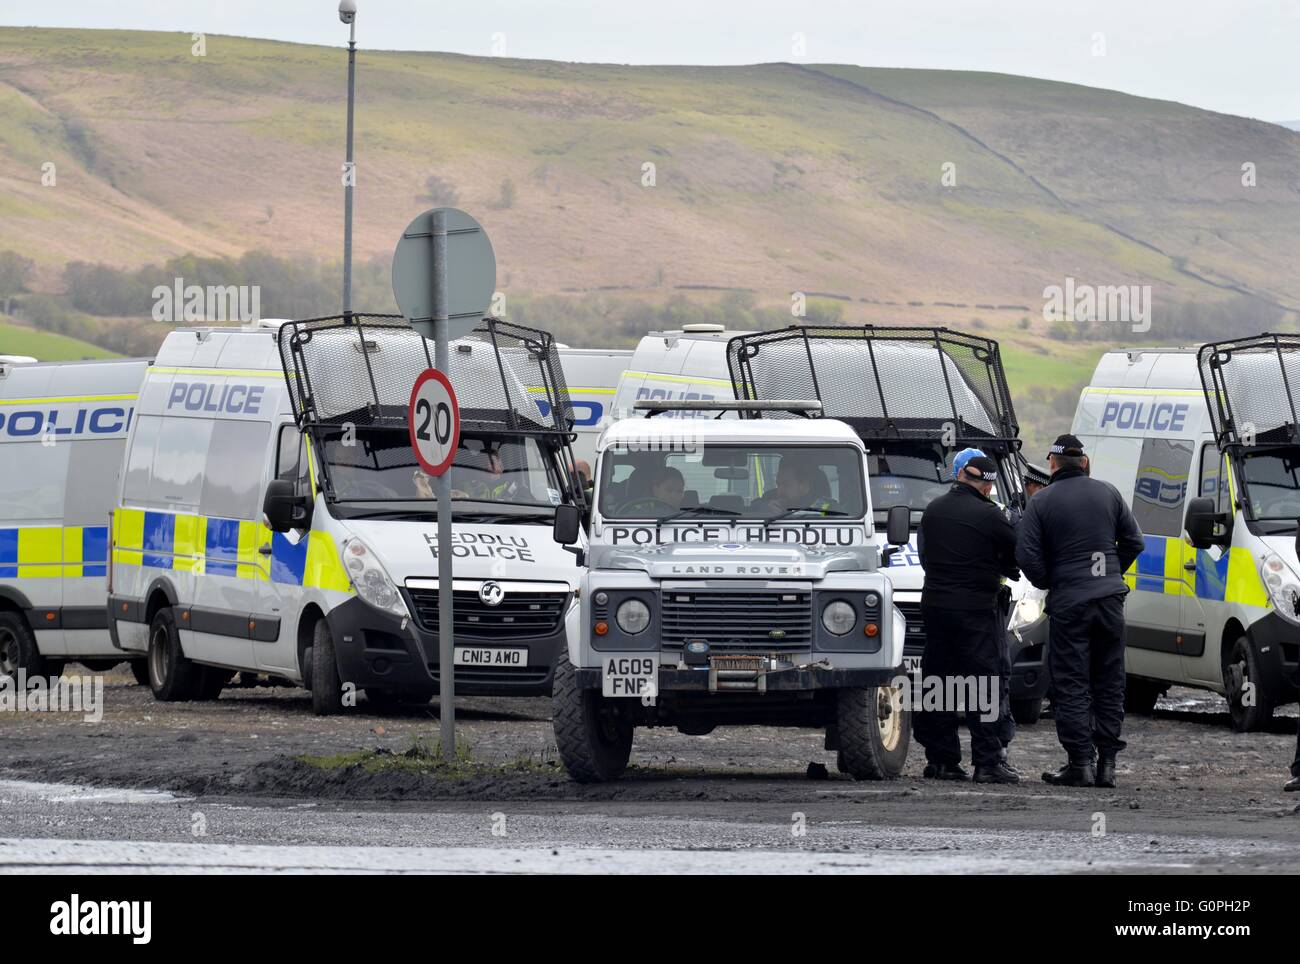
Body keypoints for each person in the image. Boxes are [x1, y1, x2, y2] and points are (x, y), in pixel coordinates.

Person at [1016, 433, 1145, 789]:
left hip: (1071, 603)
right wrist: (1112, 575)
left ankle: (1080, 763)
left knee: (1072, 682)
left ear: (1053, 464)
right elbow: (1135, 541)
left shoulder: (1041, 503)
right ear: (1084, 462)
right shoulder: (1109, 493)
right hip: (1109, 603)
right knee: (1109, 681)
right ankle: (1107, 765)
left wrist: (1053, 581)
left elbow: (1026, 555)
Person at [915, 448, 1021, 784]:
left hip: (935, 607)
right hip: (976, 611)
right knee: (982, 685)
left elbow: (925, 557)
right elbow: (1015, 555)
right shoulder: (991, 516)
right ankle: (988, 762)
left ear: (959, 475)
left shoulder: (933, 511)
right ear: (988, 486)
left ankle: (941, 761)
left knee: (939, 682)